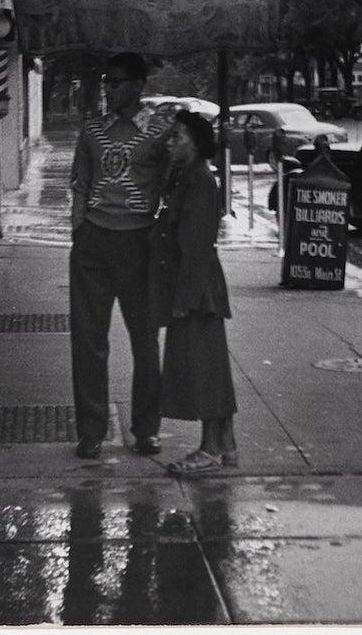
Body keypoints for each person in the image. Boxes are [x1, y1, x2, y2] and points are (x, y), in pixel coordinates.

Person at [69, 52, 169, 459]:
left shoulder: (160, 131)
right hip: (94, 241)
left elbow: (170, 184)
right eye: (107, 81)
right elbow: (79, 180)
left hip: (139, 243)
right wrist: (79, 228)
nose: (108, 88)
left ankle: (146, 429)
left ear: (139, 86)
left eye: (117, 81)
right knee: (89, 340)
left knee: (145, 341)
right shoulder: (93, 129)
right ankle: (91, 431)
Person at [150, 110, 238, 473]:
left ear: (197, 143)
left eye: (178, 136)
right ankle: (226, 444)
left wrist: (184, 298)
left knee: (204, 372)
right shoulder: (185, 176)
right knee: (211, 369)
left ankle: (210, 450)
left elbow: (196, 244)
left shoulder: (199, 180)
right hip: (194, 288)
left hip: (196, 291)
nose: (170, 142)